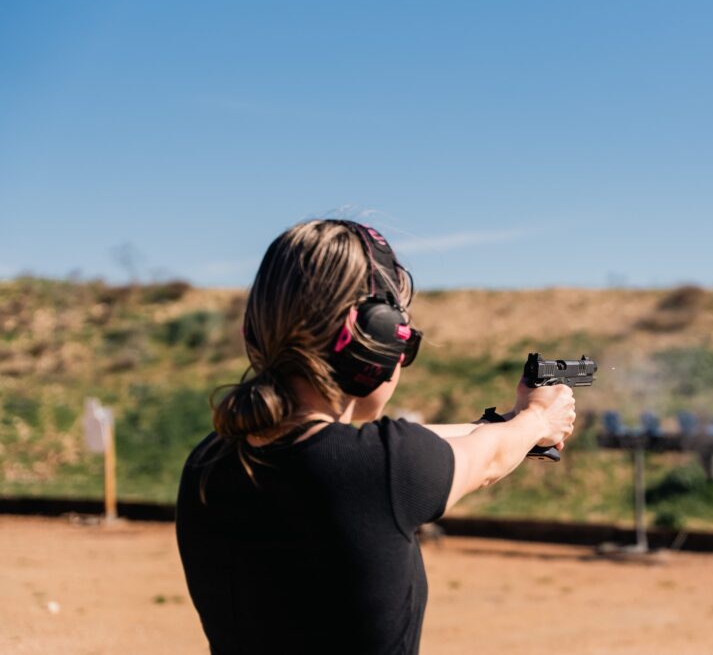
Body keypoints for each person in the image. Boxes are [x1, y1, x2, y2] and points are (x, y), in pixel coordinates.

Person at [175, 220, 576, 654]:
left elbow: (396, 448)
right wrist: (538, 418)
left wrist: (515, 420)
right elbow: (486, 458)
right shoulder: (377, 469)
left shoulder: (208, 462)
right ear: (376, 336)